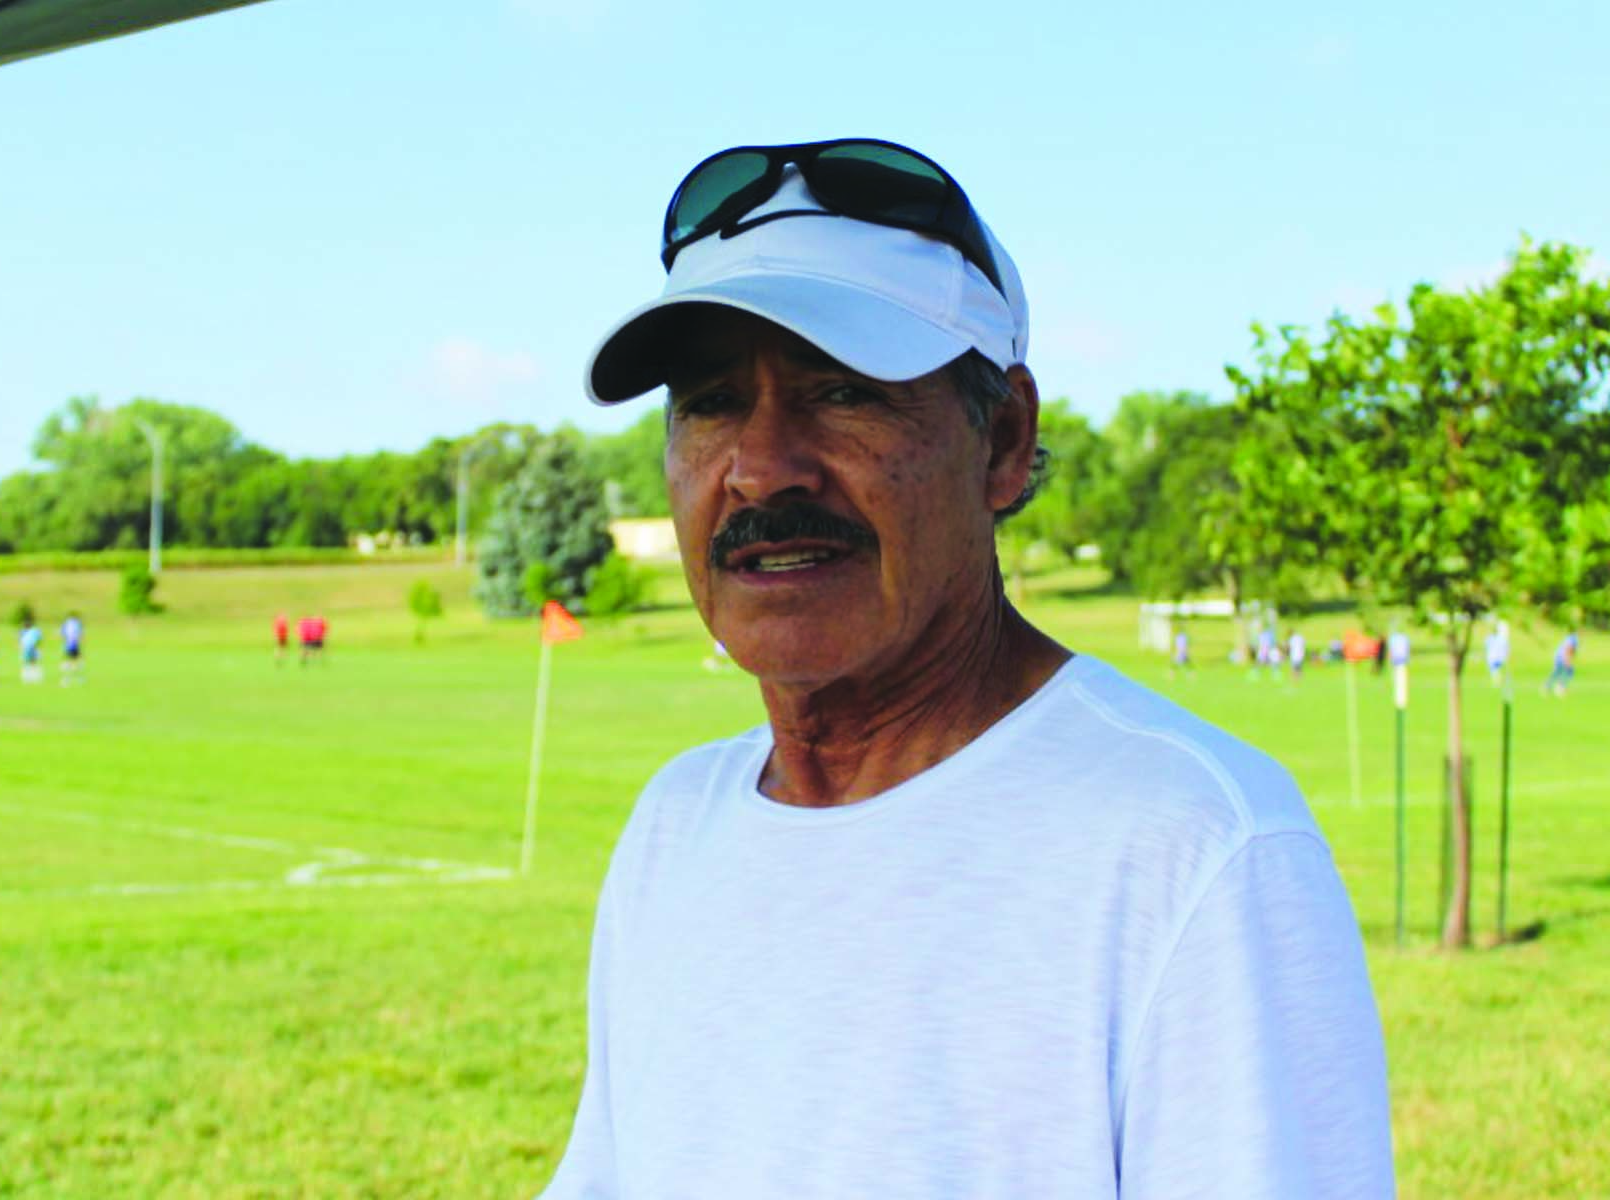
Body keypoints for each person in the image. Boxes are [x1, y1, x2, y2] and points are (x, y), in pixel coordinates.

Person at [541, 138, 1393, 1198]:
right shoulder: (678, 826)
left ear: (1004, 441)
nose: (760, 466)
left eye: (842, 391)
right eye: (711, 401)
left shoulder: (1194, 847)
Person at [1544, 630, 1579, 696]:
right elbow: (1568, 649)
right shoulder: (1574, 639)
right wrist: (1568, 660)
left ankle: (1549, 686)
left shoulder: (1571, 638)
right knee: (1569, 671)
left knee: (1558, 672)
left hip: (1559, 656)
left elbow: (1571, 650)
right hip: (1562, 657)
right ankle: (1559, 687)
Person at [59, 611, 84, 685]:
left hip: (68, 644)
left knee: (69, 660)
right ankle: (76, 678)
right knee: (76, 660)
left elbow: (62, 633)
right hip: (75, 644)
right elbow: (80, 634)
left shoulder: (66, 623)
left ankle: (67, 678)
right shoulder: (77, 623)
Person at [1485, 620, 1510, 689]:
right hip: (1498, 657)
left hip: (1494, 658)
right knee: (1495, 671)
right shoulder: (1496, 638)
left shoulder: (1493, 638)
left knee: (1494, 671)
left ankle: (1499, 681)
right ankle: (1500, 681)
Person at [18, 615, 43, 684]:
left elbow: (38, 640)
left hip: (33, 648)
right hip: (26, 649)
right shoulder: (22, 631)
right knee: (26, 663)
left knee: (33, 663)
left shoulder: (35, 631)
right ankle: (27, 677)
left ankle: (35, 677)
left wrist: (37, 648)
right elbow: (20, 640)